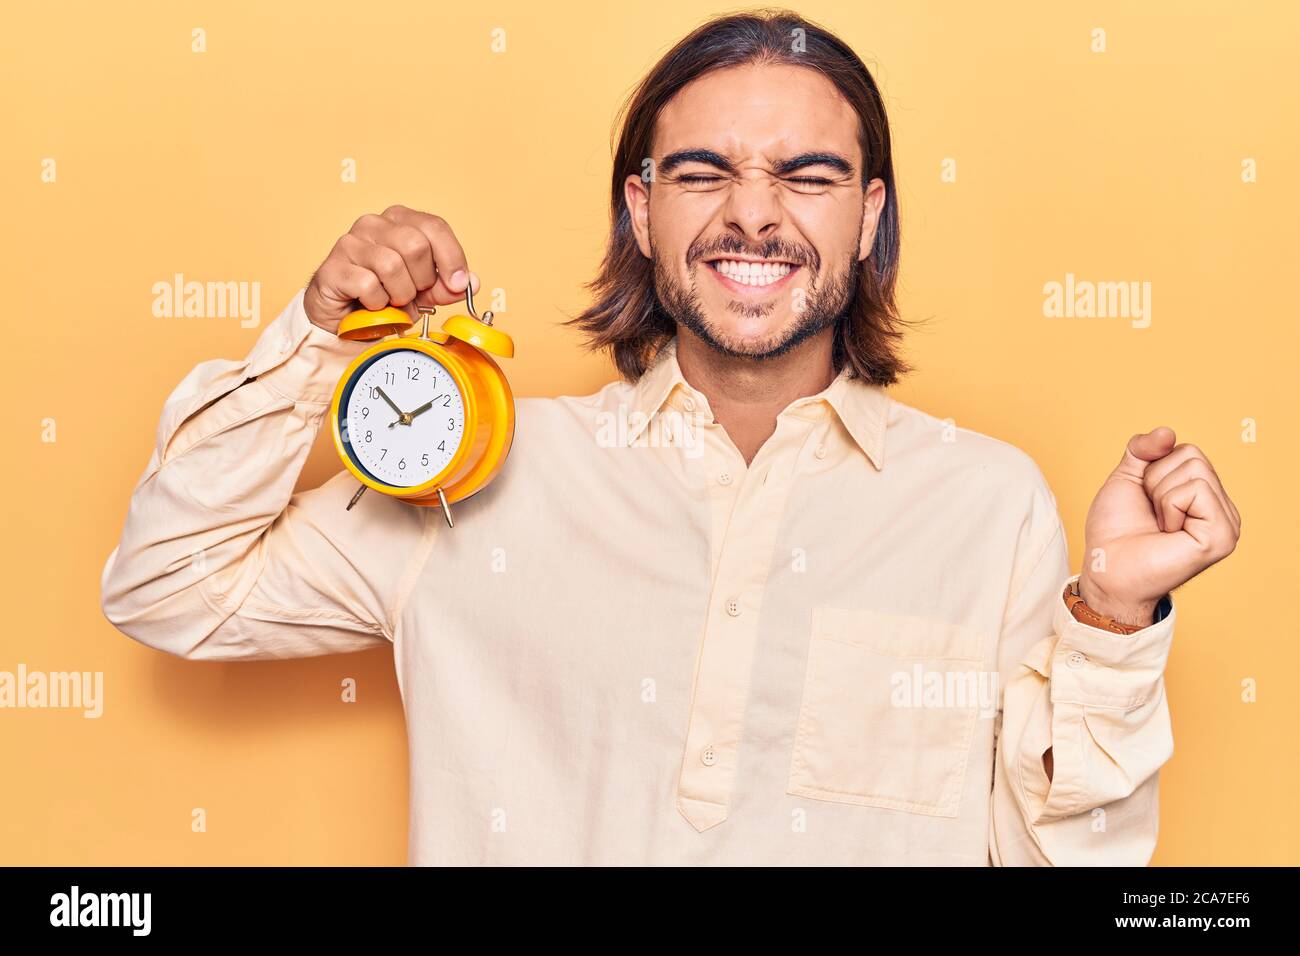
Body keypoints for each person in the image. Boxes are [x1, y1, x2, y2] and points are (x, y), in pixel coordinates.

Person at [100, 10, 1239, 865]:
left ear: (870, 214)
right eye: (703, 173)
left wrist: (1108, 615)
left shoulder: (987, 505)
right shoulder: (475, 471)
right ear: (643, 212)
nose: (753, 213)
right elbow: (170, 587)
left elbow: (1064, 862)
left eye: (808, 175)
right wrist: (316, 340)